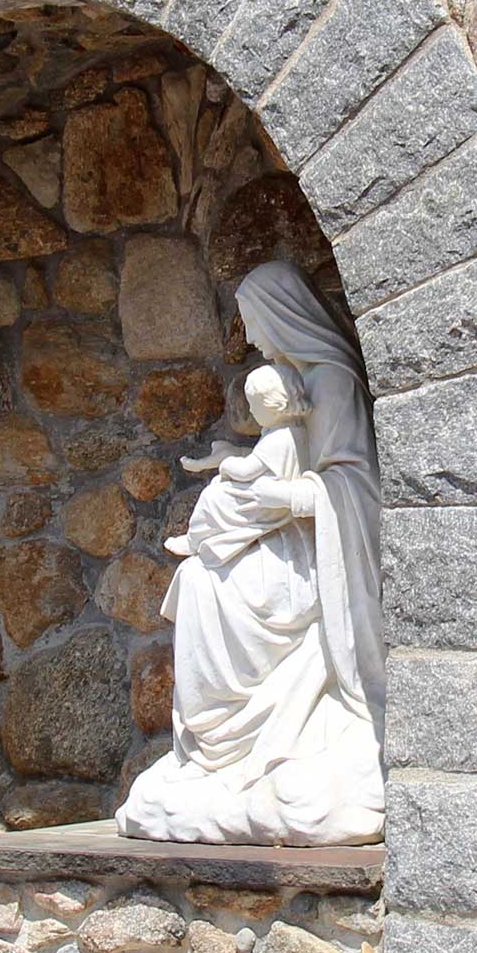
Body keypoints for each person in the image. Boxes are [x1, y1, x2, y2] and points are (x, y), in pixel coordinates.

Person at [116, 261, 384, 848]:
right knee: (199, 579)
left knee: (207, 584)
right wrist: (237, 463)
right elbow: (285, 454)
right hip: (285, 536)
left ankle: (230, 742)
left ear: (281, 317)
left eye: (255, 322)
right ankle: (217, 750)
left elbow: (356, 487)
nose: (252, 338)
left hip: (316, 555)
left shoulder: (332, 383)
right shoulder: (296, 381)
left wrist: (284, 498)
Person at [165, 362, 312, 565]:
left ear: (274, 406)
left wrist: (226, 464)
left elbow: (246, 471)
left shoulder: (277, 439)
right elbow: (265, 463)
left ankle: (194, 540)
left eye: (255, 405)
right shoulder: (297, 432)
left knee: (213, 496)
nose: (250, 410)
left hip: (266, 503)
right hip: (273, 498)